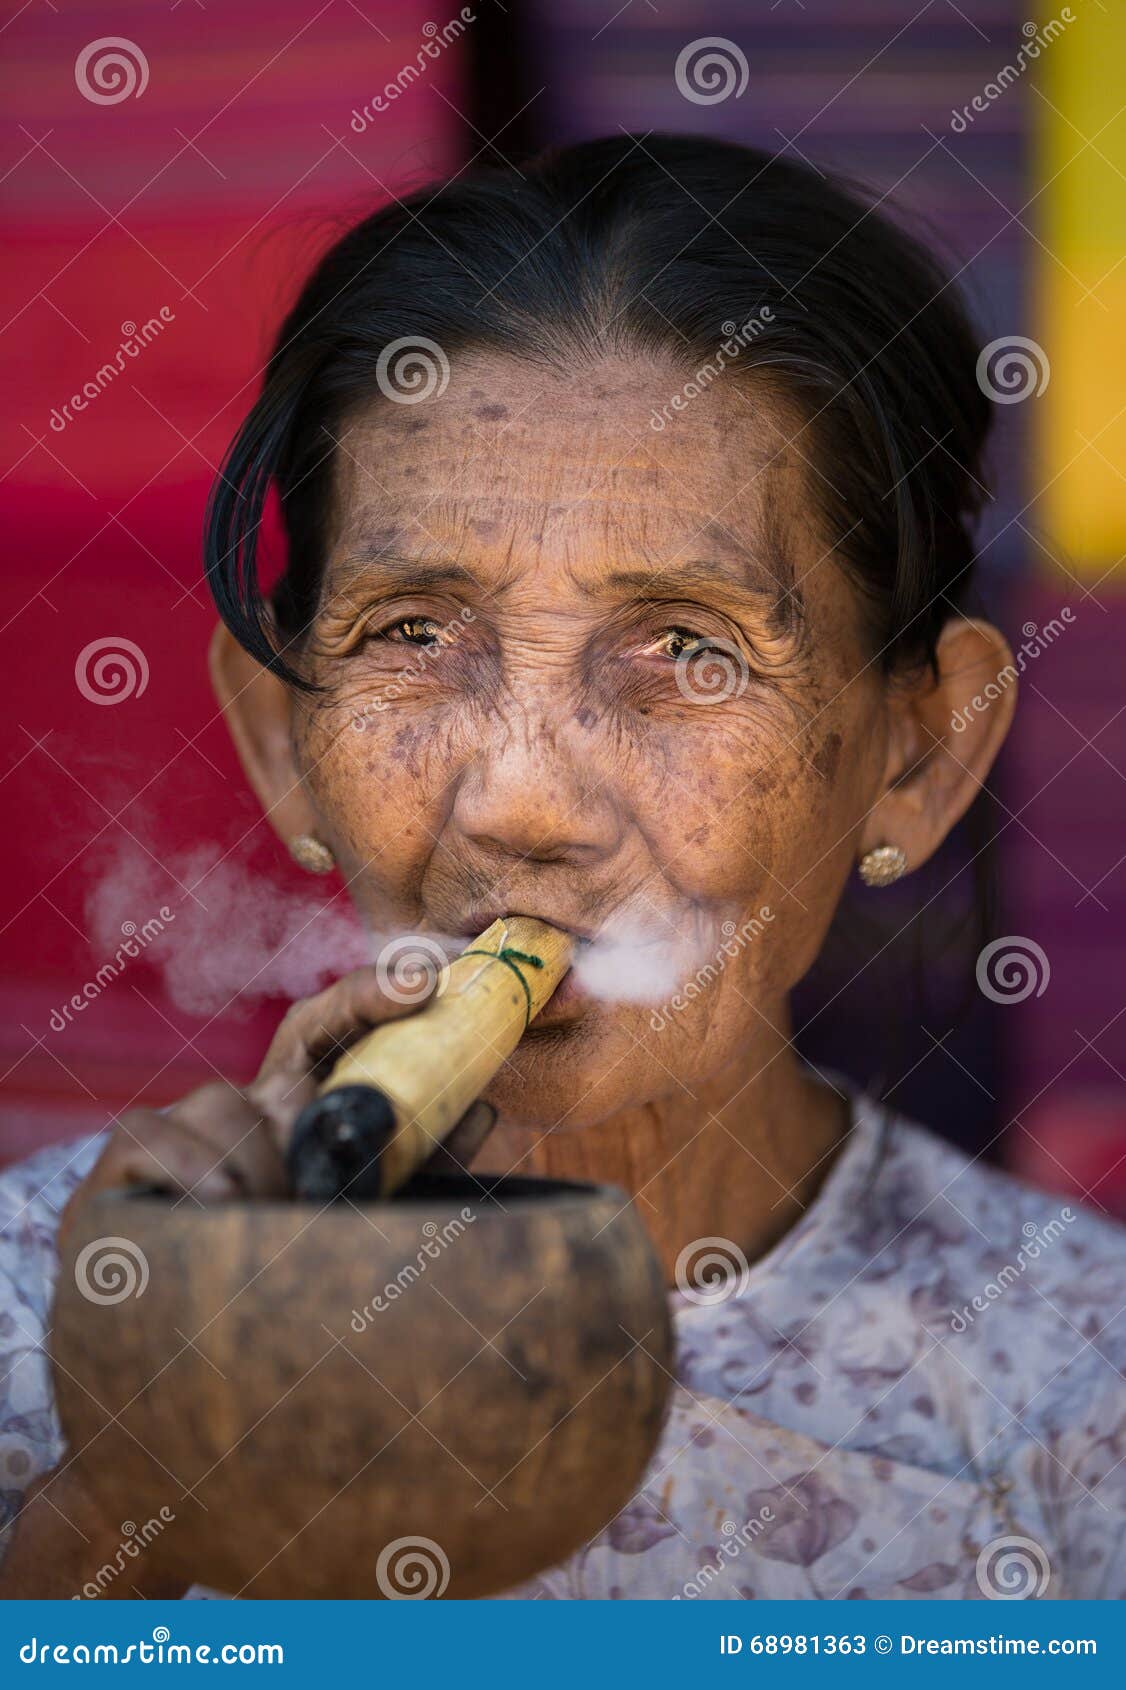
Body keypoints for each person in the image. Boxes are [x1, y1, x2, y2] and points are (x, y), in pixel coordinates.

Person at [2, 135, 1123, 1600]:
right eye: (412, 635)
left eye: (685, 649)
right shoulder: (46, 1308)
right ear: (283, 741)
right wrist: (129, 1497)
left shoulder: (1072, 1393)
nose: (522, 800)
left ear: (914, 752)